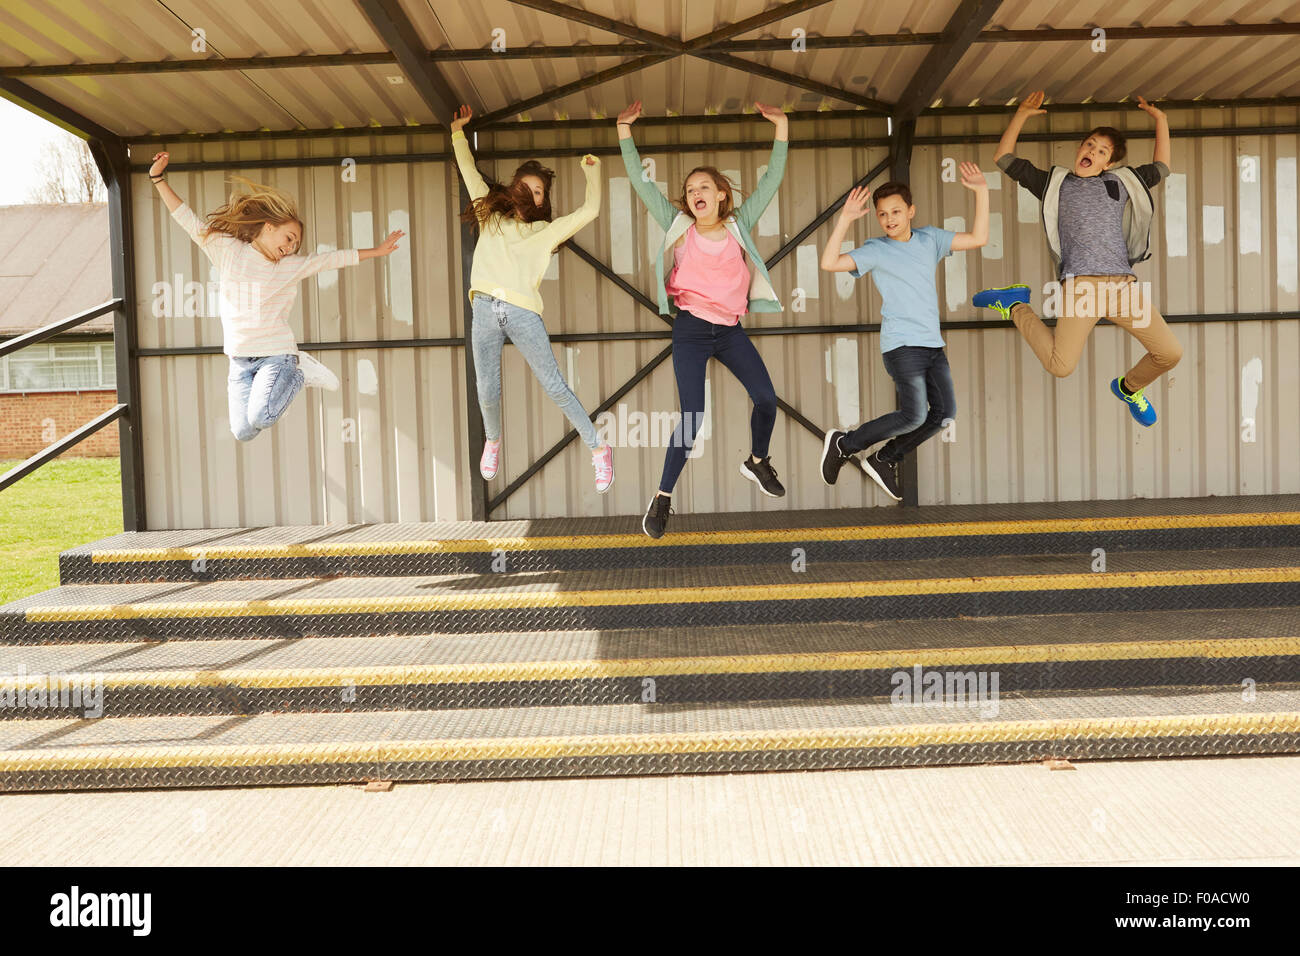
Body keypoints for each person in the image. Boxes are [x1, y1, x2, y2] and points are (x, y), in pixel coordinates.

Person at [617, 99, 789, 538]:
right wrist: (624, 132)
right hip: (692, 329)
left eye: (705, 187)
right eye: (691, 189)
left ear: (721, 195)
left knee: (766, 399)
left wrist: (782, 128)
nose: (697, 193)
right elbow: (641, 184)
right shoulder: (678, 227)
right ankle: (661, 499)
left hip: (730, 330)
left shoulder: (739, 223)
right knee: (692, 416)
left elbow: (771, 182)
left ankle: (756, 461)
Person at [148, 152, 402, 442]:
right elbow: (187, 220)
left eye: (296, 243)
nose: (292, 247)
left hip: (275, 354)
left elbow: (331, 259)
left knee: (261, 416)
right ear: (268, 227)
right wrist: (157, 178)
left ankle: (300, 371)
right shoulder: (227, 250)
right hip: (239, 360)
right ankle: (291, 380)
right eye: (289, 238)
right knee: (243, 432)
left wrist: (376, 251)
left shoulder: (289, 267)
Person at [973, 91, 1182, 427]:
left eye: (1101, 151)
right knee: (1060, 366)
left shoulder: (1120, 183)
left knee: (1170, 353)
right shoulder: (1054, 184)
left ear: (1108, 163)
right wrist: (1022, 115)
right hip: (1082, 287)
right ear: (1080, 148)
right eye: (1089, 145)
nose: (1092, 152)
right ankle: (1015, 306)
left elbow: (1162, 167)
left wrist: (1161, 120)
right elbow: (1004, 158)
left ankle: (1129, 388)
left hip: (1122, 287)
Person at [451, 105, 614, 492]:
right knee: (486, 388)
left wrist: (592, 170)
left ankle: (598, 448)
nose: (530, 192)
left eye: (537, 190)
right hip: (484, 310)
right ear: (511, 190)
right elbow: (469, 172)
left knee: (555, 385)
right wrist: (458, 132)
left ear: (542, 202)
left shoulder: (546, 230)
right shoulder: (490, 215)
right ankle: (493, 440)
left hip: (523, 313)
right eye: (524, 185)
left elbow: (590, 209)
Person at [819, 164, 990, 500]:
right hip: (901, 346)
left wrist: (982, 192)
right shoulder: (876, 250)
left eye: (896, 211)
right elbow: (828, 263)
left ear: (911, 211)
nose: (890, 219)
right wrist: (844, 220)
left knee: (943, 415)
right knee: (913, 415)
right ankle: (846, 443)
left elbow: (979, 237)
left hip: (932, 346)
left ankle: (884, 458)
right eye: (883, 214)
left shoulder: (931, 239)